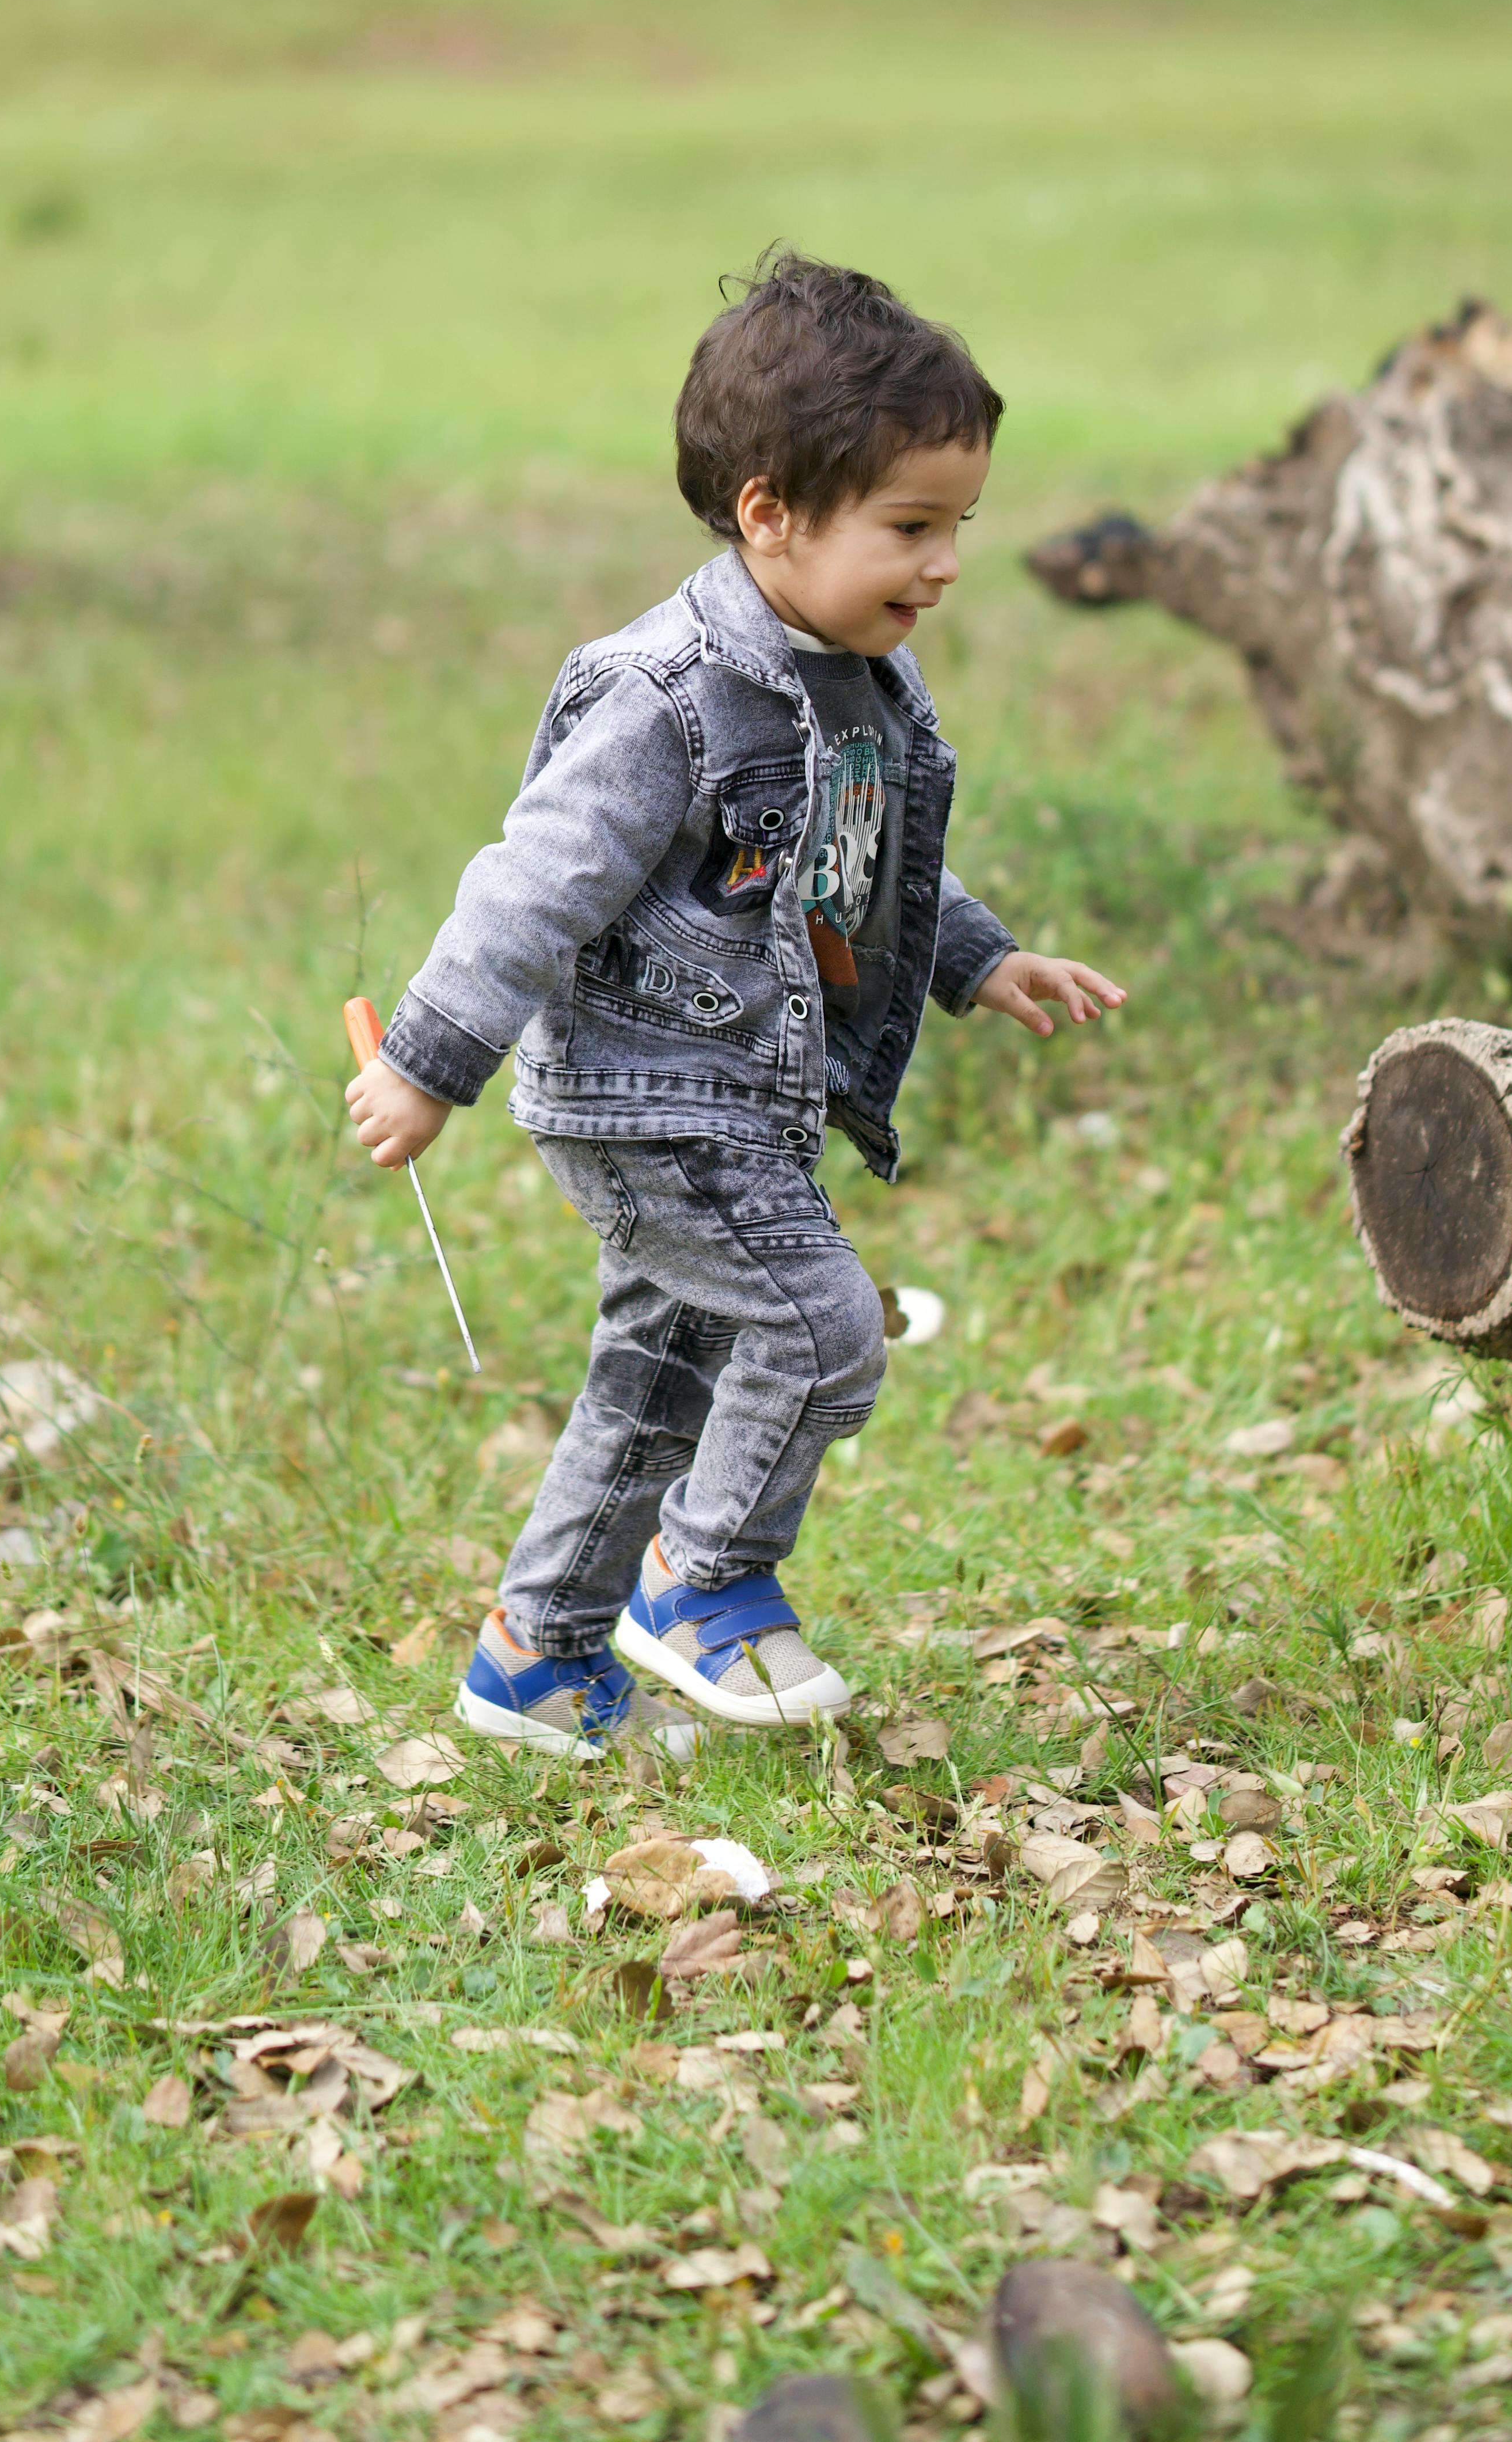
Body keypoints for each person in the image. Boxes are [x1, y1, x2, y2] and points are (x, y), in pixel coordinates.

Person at [345, 253, 1124, 1756]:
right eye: (911, 525)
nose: (946, 561)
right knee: (826, 1334)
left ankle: (536, 1662)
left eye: (960, 523)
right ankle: (702, 1588)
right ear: (770, 511)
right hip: (653, 1100)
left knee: (661, 1378)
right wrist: (433, 1059)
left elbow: (858, 870)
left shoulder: (853, 679)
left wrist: (980, 959)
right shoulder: (670, 696)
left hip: (741, 1098)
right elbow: (536, 882)